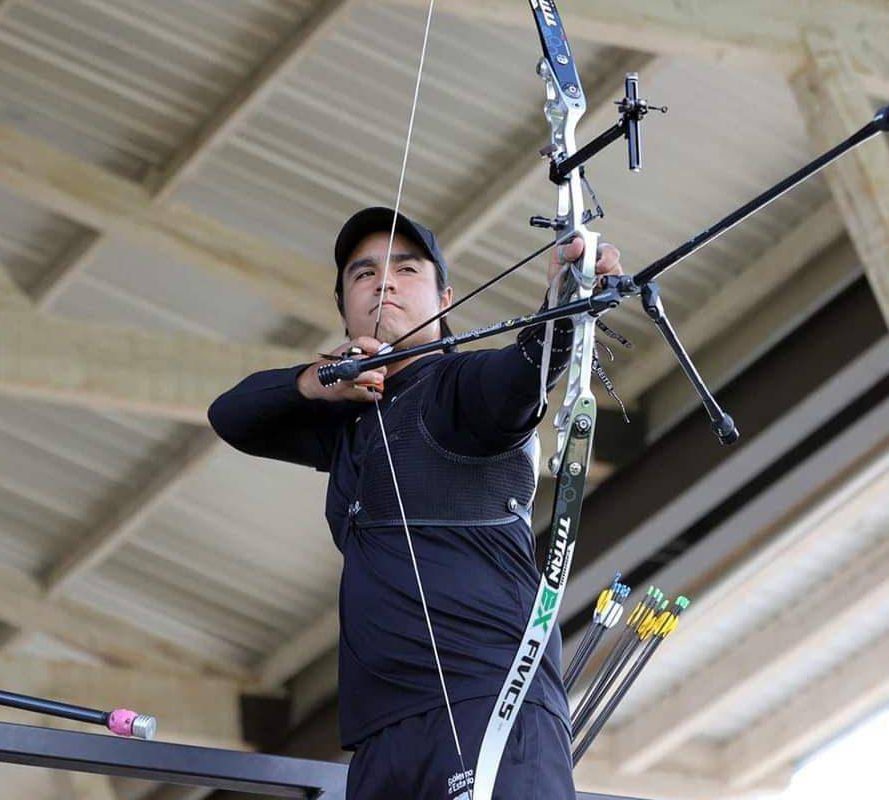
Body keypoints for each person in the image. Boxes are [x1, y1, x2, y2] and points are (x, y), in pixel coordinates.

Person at [208, 207, 622, 800]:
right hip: (381, 742)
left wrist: (567, 294)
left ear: (445, 298)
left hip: (487, 705)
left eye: (406, 269)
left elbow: (522, 371)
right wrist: (320, 379)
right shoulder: (350, 422)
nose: (384, 282)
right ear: (343, 305)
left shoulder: (459, 390)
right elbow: (232, 415)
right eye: (363, 274)